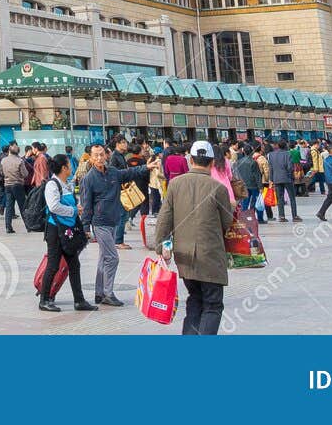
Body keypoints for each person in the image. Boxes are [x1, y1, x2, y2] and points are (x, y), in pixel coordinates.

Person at [150, 140, 237, 335]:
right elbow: (226, 222)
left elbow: (164, 219)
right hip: (210, 256)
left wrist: (161, 248)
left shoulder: (175, 185)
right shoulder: (218, 188)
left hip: (185, 257)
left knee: (194, 300)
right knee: (213, 304)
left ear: (190, 159)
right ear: (212, 162)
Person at [77, 143, 152, 307]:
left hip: (113, 221)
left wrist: (147, 167)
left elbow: (129, 172)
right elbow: (86, 206)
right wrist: (85, 229)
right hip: (100, 223)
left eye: (101, 154)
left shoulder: (112, 172)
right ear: (90, 158)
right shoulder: (88, 179)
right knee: (112, 258)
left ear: (106, 155)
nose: (99, 158)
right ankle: (108, 293)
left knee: (104, 258)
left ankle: (100, 293)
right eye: (96, 155)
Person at [35, 154, 91, 312]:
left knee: (74, 264)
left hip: (68, 230)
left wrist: (75, 209)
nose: (71, 167)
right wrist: (74, 210)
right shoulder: (52, 185)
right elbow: (53, 207)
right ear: (64, 168)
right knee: (53, 265)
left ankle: (79, 301)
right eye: (69, 165)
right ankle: (44, 300)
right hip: (55, 231)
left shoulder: (66, 184)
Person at [0, 143, 27, 233]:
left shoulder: (3, 160)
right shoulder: (20, 161)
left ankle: (8, 227)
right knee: (22, 207)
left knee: (9, 207)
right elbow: (25, 174)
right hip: (18, 185)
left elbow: (1, 173)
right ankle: (28, 225)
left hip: (7, 186)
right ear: (18, 152)